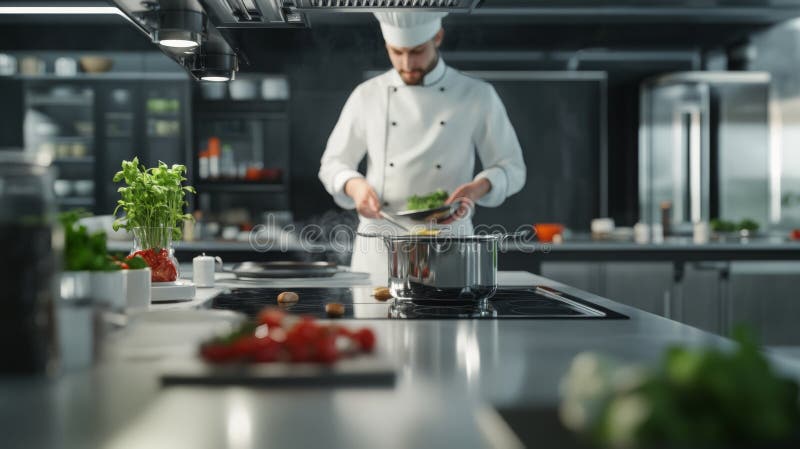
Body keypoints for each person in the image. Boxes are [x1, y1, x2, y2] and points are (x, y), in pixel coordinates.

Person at [318, 12, 526, 280]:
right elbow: (333, 163)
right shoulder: (367, 95)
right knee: (376, 321)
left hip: (448, 243)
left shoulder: (476, 94)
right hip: (380, 244)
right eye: (397, 52)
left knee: (449, 318)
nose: (407, 64)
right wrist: (354, 187)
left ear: (437, 37)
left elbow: (512, 167)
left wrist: (477, 189)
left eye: (416, 51)